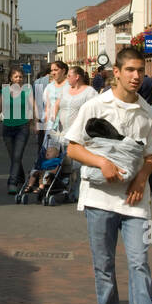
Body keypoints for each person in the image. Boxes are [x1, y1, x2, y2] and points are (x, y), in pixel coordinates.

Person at [64, 47, 152, 304]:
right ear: (117, 73)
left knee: (139, 263)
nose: (137, 76)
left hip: (135, 201)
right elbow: (73, 148)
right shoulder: (96, 106)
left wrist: (141, 179)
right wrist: (101, 163)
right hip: (98, 198)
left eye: (140, 71)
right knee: (104, 265)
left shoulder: (147, 112)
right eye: (131, 70)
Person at [57, 66, 97, 202]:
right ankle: (68, 190)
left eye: (69, 75)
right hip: (63, 133)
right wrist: (51, 118)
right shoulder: (65, 90)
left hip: (80, 134)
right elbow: (57, 105)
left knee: (78, 166)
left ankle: (79, 192)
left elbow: (95, 111)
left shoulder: (89, 92)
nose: (67, 78)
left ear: (77, 77)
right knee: (66, 165)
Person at [0, 67, 35, 194]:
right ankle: (22, 179)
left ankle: (12, 182)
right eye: (16, 77)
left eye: (20, 77)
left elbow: (33, 105)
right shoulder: (5, 90)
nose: (18, 79)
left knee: (17, 155)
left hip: (22, 127)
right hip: (7, 127)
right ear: (11, 78)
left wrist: (35, 122)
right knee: (14, 157)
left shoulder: (27, 90)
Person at [42, 60, 69, 137]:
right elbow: (47, 107)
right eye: (52, 70)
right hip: (52, 125)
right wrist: (46, 128)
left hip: (67, 126)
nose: (53, 73)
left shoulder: (71, 86)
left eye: (56, 70)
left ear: (63, 71)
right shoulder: (49, 87)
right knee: (50, 148)